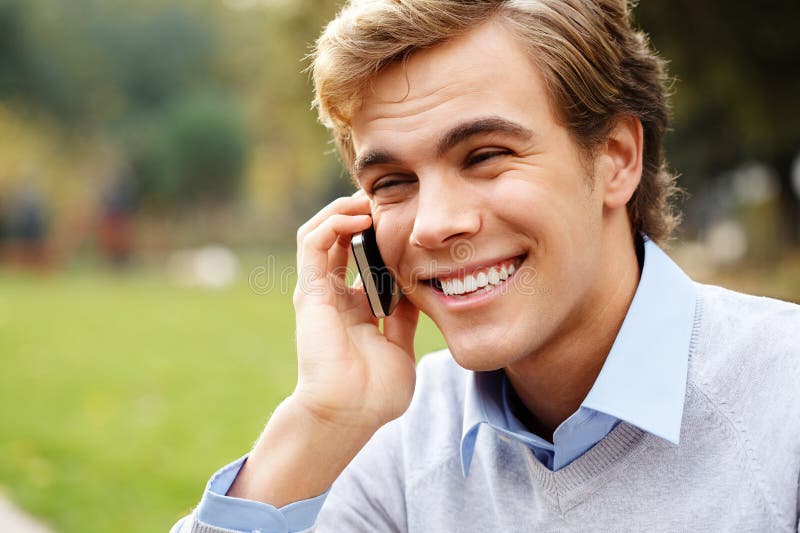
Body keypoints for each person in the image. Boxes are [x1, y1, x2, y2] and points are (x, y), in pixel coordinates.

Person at [173, 1, 800, 531]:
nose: (433, 224)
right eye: (393, 180)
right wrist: (319, 424)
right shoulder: (387, 439)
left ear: (615, 158)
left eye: (485, 156)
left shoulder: (784, 404)